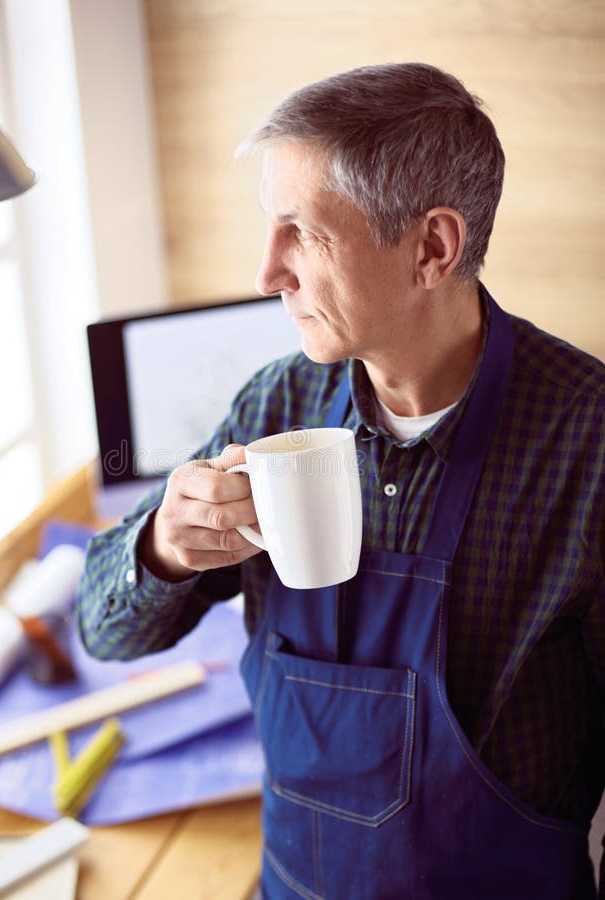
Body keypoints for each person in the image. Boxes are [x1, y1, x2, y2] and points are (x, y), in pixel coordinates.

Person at [78, 62, 605, 898]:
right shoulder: (276, 402)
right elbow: (105, 635)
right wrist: (165, 546)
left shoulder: (590, 443)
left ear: (432, 248)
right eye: (268, 226)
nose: (267, 272)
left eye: (305, 233)